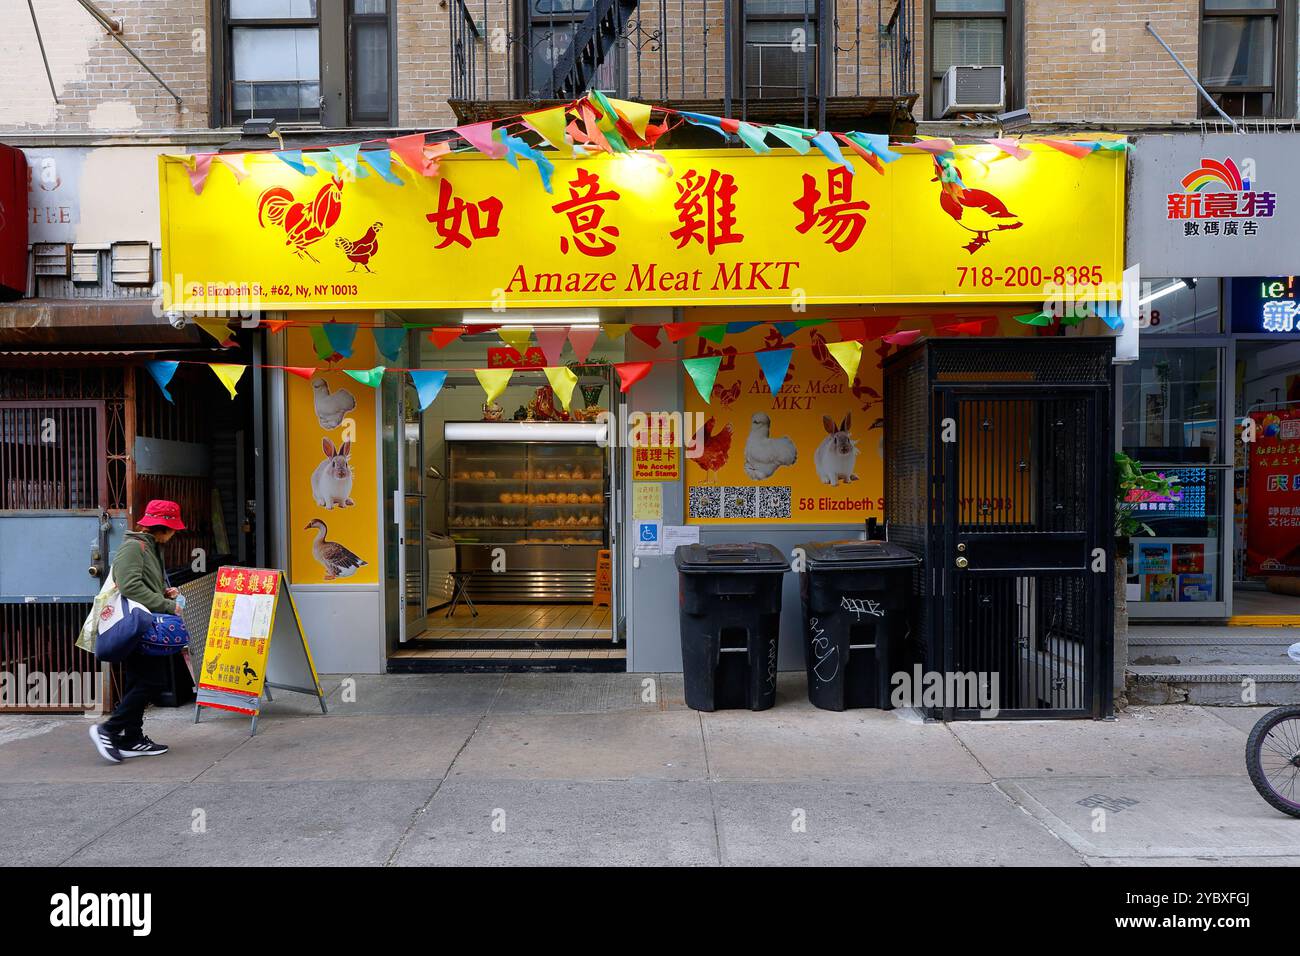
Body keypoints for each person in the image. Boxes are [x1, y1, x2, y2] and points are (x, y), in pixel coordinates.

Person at [89, 499, 188, 763]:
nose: (175, 533)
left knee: (138, 681)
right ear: (161, 527)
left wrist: (165, 591)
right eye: (172, 528)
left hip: (142, 626)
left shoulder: (151, 548)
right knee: (151, 681)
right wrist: (167, 604)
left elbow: (143, 583)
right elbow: (130, 586)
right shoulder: (134, 547)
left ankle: (132, 737)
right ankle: (107, 730)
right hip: (135, 626)